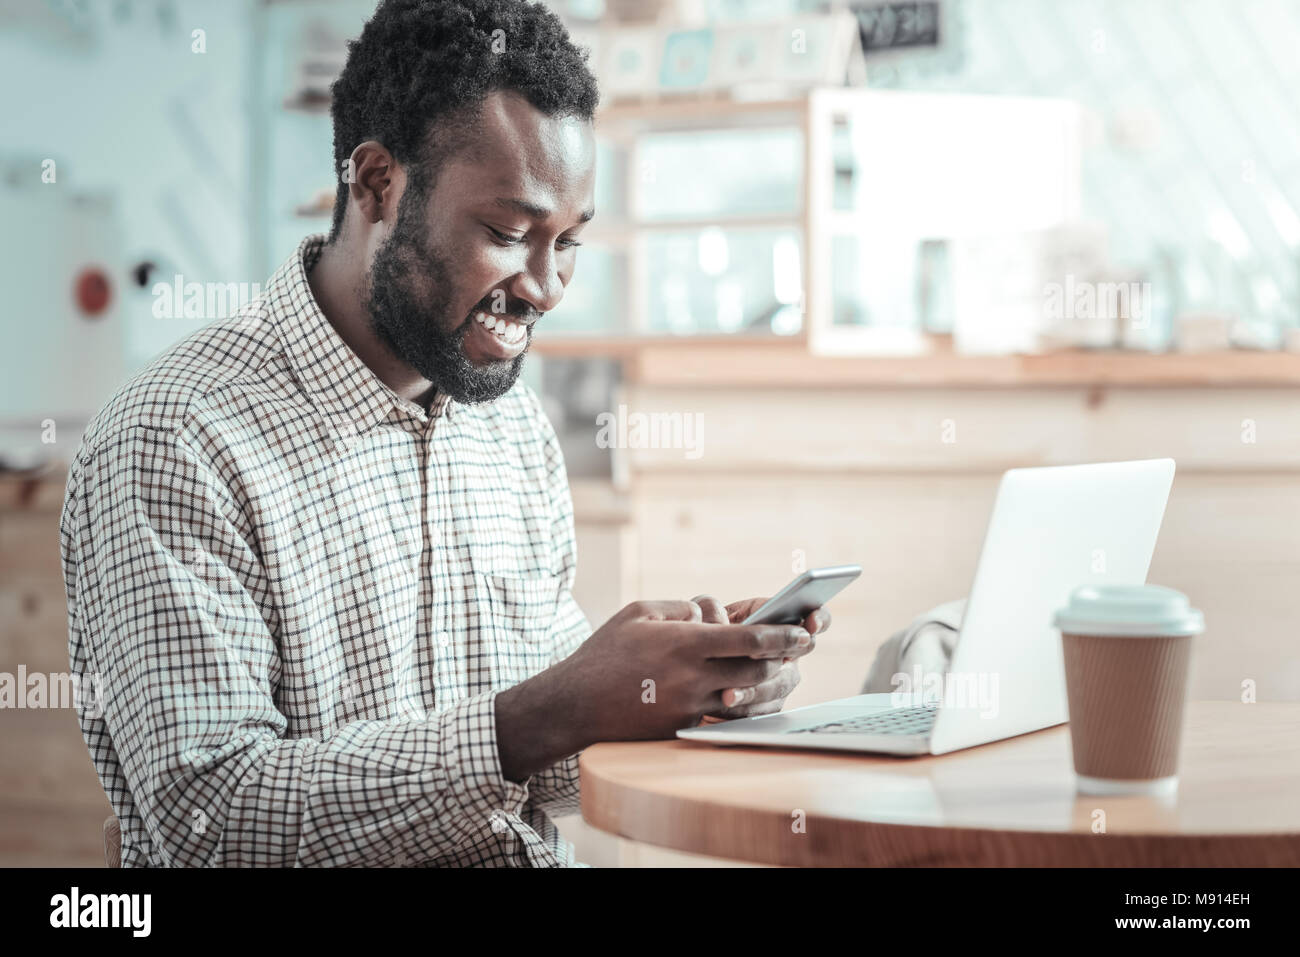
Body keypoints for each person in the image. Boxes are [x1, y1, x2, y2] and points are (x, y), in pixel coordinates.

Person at [59, 0, 829, 868]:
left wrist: (667, 691)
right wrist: (552, 710)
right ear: (378, 183)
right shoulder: (177, 437)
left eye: (568, 242)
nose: (545, 287)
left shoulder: (510, 428)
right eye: (508, 233)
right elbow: (212, 819)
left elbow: (538, 774)